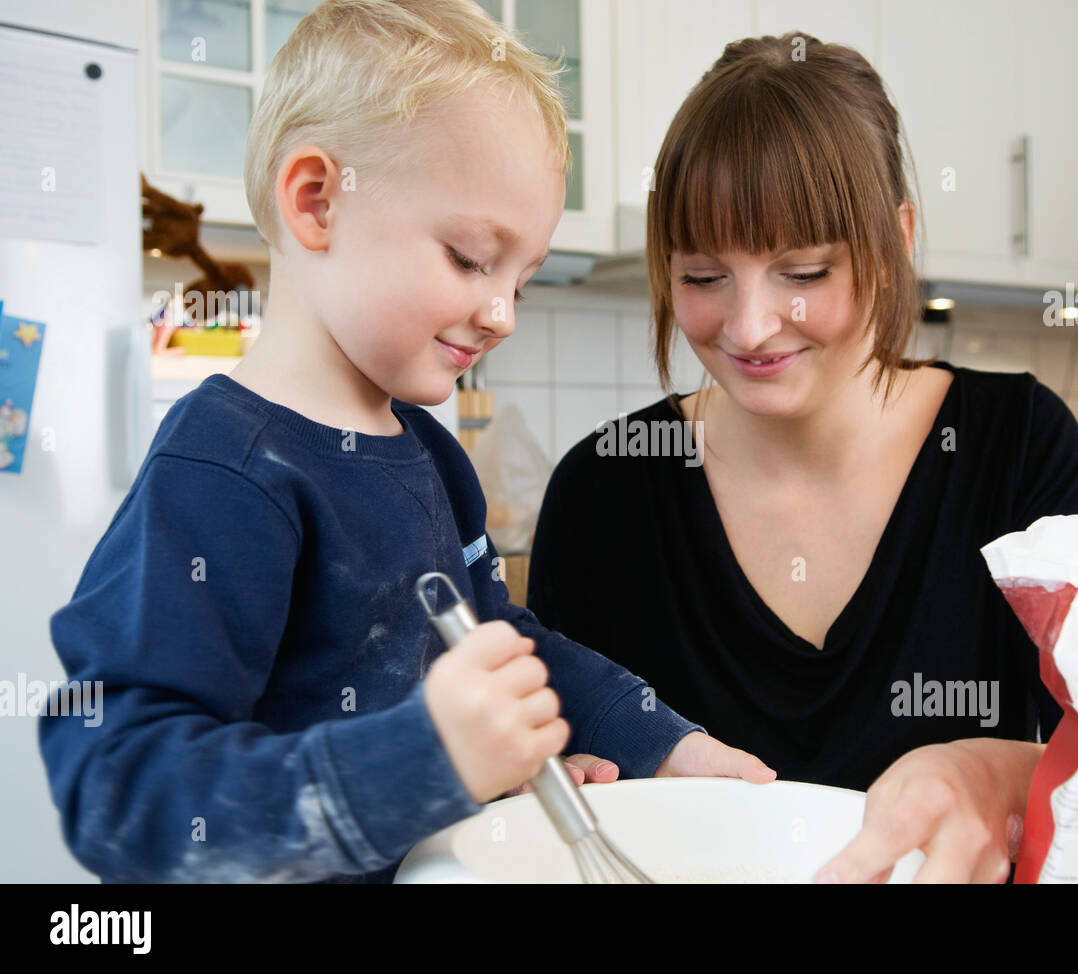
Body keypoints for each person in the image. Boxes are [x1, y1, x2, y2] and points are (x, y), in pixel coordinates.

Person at [38, 0, 771, 885]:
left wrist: (664, 745)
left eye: (523, 280)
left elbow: (501, 644)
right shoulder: (227, 471)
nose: (501, 314)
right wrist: (425, 766)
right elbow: (118, 785)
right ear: (317, 203)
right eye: (470, 257)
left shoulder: (428, 449)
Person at [528, 33, 1078, 883]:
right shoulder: (602, 487)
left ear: (894, 244)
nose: (751, 326)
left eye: (802, 271)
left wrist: (996, 773)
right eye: (701, 277)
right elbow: (555, 779)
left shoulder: (1016, 444)